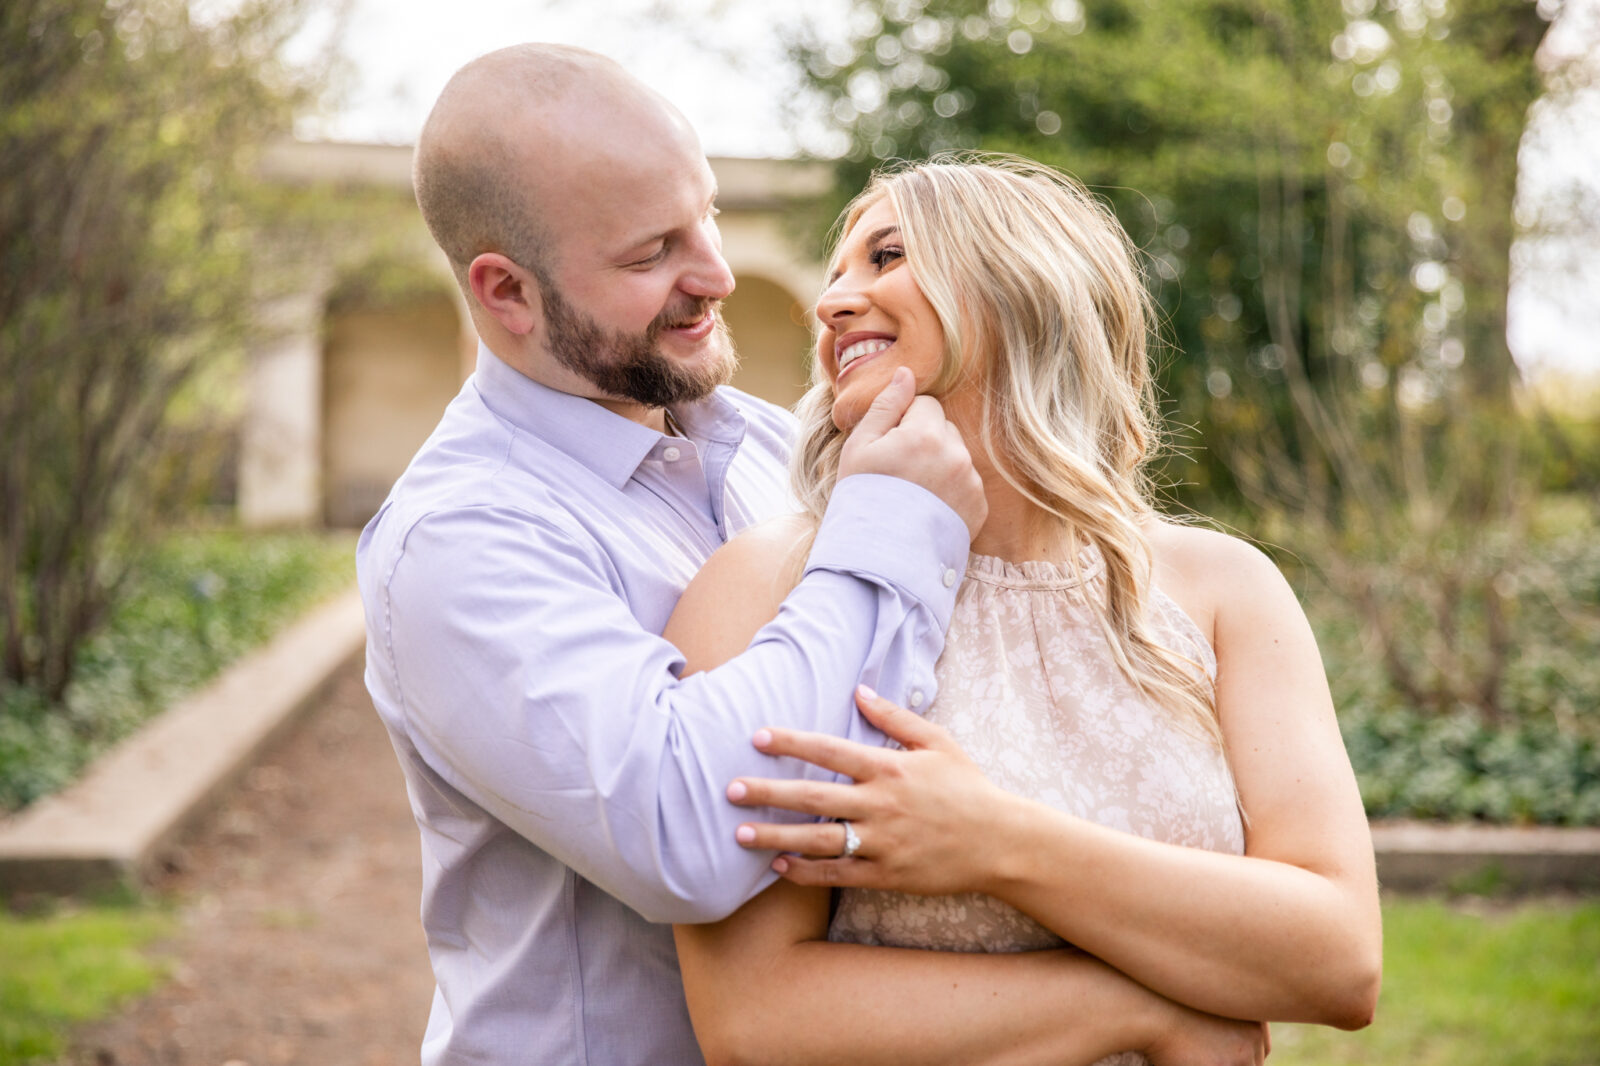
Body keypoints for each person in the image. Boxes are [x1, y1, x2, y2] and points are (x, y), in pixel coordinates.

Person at [665, 155, 1383, 1065]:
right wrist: (1146, 1012)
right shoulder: (765, 588)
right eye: (837, 272)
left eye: (886, 257)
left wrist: (996, 841)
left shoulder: (1222, 590)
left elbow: (1340, 959)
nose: (832, 301)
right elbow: (754, 1019)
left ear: (1022, 285)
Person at [356, 44, 984, 1064]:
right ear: (508, 292)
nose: (718, 275)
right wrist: (889, 528)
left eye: (709, 215)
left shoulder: (773, 447)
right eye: (652, 254)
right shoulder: (455, 542)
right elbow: (692, 829)